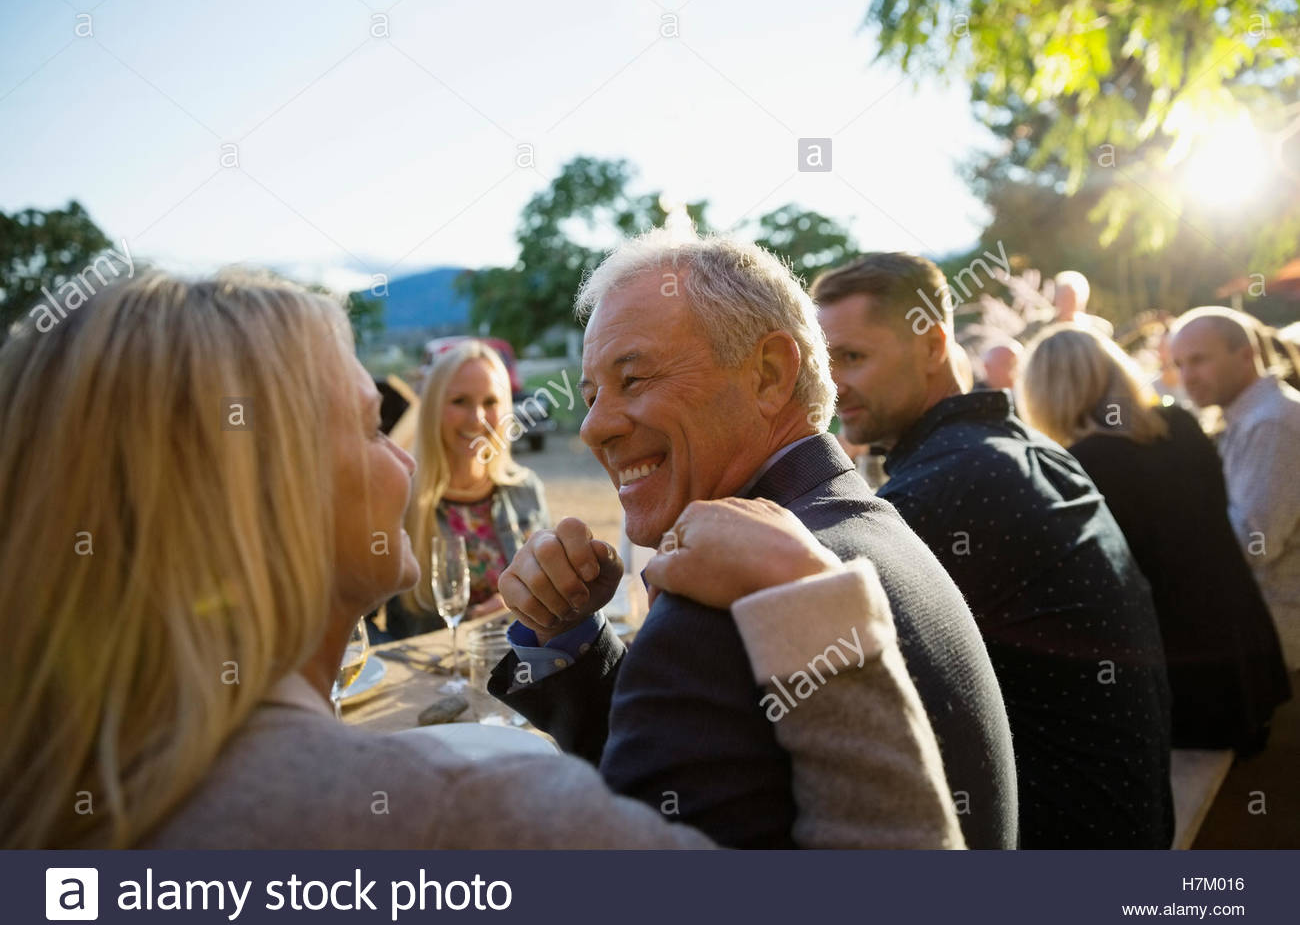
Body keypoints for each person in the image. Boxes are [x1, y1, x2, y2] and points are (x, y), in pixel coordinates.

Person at [0, 269, 962, 850]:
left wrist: (570, 643)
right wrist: (823, 620)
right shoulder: (471, 815)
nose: (589, 425)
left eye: (632, 379)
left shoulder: (58, 783)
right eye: (372, 426)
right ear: (265, 498)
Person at [488, 229, 1016, 850]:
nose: (593, 427)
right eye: (592, 394)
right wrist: (570, 638)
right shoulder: (869, 526)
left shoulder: (730, 606)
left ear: (769, 374)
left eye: (633, 380)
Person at [812, 252, 1173, 849]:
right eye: (824, 363)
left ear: (932, 346)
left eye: (852, 357)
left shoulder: (942, 486)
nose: (832, 384)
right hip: (1133, 825)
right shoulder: (1017, 447)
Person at [1019, 325, 1290, 752]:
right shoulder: (1179, 425)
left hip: (1183, 679)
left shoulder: (1082, 466)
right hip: (1246, 652)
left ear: (1044, 393)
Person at [385, 340, 550, 638]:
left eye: (490, 402)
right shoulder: (397, 499)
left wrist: (525, 605)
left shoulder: (526, 489)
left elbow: (552, 593)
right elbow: (358, 626)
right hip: (427, 681)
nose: (477, 418)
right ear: (433, 408)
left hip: (520, 674)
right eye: (460, 401)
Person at [1170, 307, 1300, 672]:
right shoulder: (1252, 418)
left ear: (1246, 356)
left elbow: (1253, 542)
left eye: (1198, 360)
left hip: (1282, 648)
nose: (1186, 377)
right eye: (1178, 364)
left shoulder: (1272, 423)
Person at [1049, 270, 1114, 337]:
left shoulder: (1099, 328)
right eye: (1063, 297)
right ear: (1055, 298)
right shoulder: (1041, 326)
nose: (1067, 303)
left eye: (1071, 298)